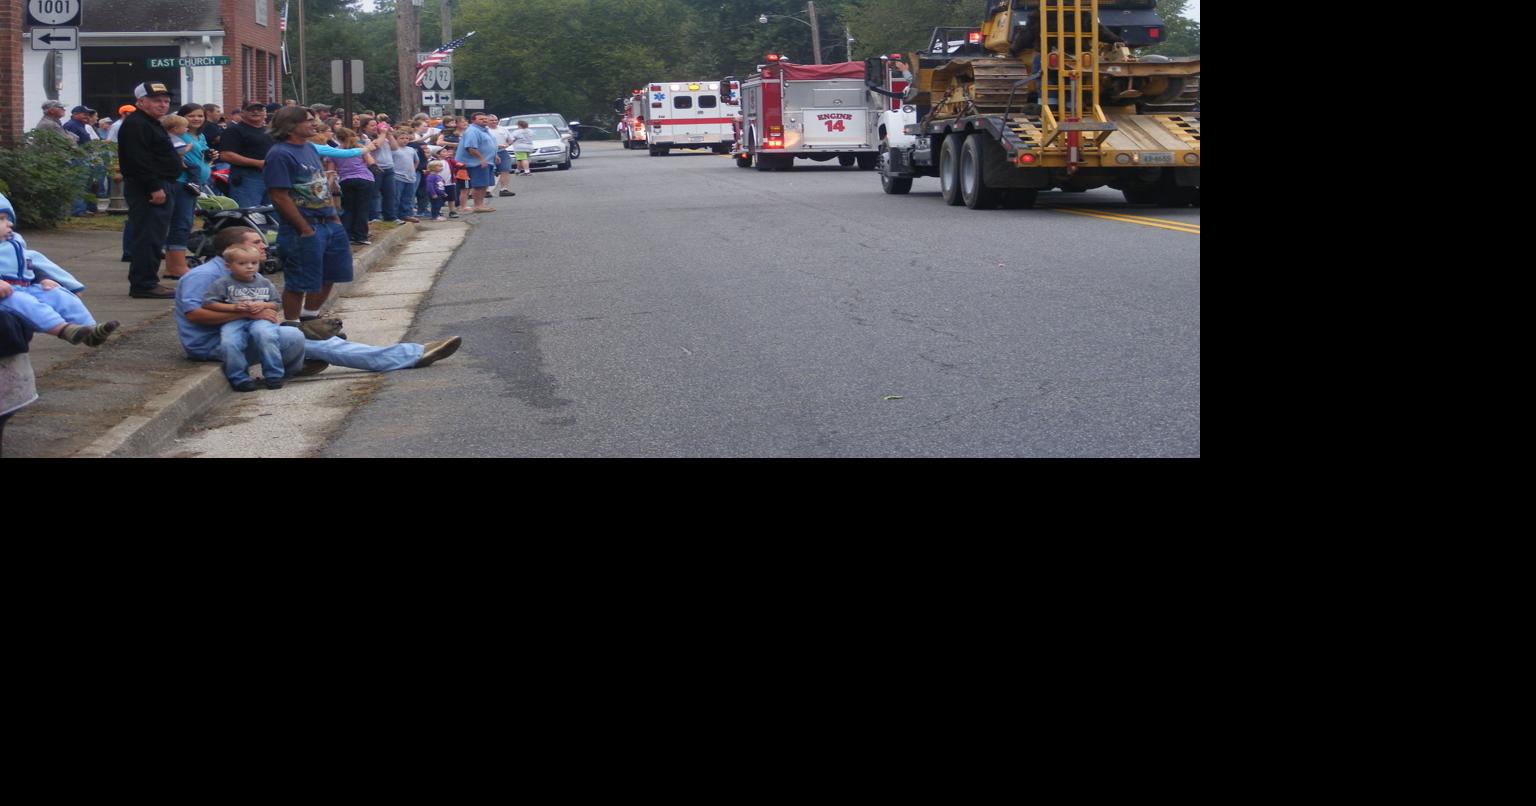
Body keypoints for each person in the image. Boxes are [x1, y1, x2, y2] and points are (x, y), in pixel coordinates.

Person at [175, 227, 463, 377]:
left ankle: (298, 362)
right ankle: (411, 356)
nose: (263, 246)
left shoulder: (246, 272)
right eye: (256, 242)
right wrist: (248, 314)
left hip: (247, 334)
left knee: (314, 337)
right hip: (214, 345)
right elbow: (194, 315)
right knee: (320, 343)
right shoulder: (203, 276)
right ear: (232, 249)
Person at [263, 106, 353, 323]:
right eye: (309, 120)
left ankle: (310, 318)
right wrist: (304, 228)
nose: (315, 124)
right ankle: (292, 326)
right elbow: (279, 196)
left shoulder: (310, 148)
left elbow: (320, 184)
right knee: (300, 281)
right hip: (304, 226)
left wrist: (335, 218)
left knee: (332, 273)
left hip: (329, 222)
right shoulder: (280, 154)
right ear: (290, 126)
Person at [1, 194, 120, 347]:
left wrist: (44, 279)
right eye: (1, 219)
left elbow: (30, 264)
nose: (9, 223)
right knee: (26, 304)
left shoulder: (13, 243)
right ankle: (63, 329)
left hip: (26, 287)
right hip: (6, 295)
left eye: (8, 218)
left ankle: (90, 329)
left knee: (59, 295)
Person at [117, 81, 182, 300]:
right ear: (141, 101)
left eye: (166, 101)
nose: (162, 105)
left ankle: (147, 280)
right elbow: (138, 160)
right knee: (148, 236)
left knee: (155, 236)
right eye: (156, 101)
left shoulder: (150, 123)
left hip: (160, 183)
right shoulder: (137, 124)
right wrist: (154, 187)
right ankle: (144, 284)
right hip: (148, 188)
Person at [202, 244, 286, 391]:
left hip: (260, 319)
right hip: (234, 319)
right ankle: (239, 378)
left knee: (266, 335)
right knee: (230, 342)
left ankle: (274, 374)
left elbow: (277, 304)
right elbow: (209, 303)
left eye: (254, 263)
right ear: (228, 266)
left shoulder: (264, 282)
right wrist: (234, 307)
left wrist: (263, 304)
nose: (249, 267)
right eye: (242, 263)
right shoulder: (223, 283)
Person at [162, 104, 215, 280]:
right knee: (181, 223)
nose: (197, 119)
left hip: (196, 183)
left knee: (185, 222)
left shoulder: (200, 135)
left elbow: (201, 157)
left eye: (200, 116)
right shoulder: (179, 134)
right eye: (191, 116)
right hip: (182, 183)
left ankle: (173, 266)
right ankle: (177, 266)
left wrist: (209, 157)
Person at [218, 101, 274, 209]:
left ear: (265, 113)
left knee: (271, 213)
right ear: (242, 113)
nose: (256, 112)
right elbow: (226, 155)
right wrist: (258, 163)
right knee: (249, 213)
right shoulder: (234, 130)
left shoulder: (268, 131)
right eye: (251, 109)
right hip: (247, 178)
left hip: (270, 176)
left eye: (259, 109)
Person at [330, 126, 376, 244]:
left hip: (345, 180)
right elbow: (370, 162)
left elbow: (332, 170)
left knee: (348, 208)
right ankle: (361, 235)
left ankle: (348, 235)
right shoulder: (360, 149)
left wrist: (333, 183)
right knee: (362, 208)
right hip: (364, 179)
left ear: (338, 138)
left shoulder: (335, 151)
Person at [456, 112, 498, 213]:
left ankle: (481, 205)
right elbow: (470, 148)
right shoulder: (472, 131)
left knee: (484, 184)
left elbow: (488, 144)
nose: (484, 120)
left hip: (487, 161)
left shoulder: (484, 130)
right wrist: (481, 159)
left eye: (485, 119)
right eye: (481, 119)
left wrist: (495, 155)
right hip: (474, 163)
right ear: (473, 121)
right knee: (479, 185)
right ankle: (477, 206)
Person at [391, 132, 422, 224]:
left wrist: (412, 170)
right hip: (397, 177)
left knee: (408, 197)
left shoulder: (411, 149)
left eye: (407, 138)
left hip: (410, 177)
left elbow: (416, 161)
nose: (405, 140)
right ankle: (394, 215)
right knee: (396, 197)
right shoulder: (393, 149)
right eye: (402, 138)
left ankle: (406, 214)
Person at [489, 116, 517, 197]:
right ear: (487, 121)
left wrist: (507, 144)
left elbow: (511, 139)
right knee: (489, 171)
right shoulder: (485, 130)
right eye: (491, 120)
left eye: (495, 120)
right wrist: (496, 146)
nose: (494, 122)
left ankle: (504, 189)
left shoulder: (503, 129)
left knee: (505, 169)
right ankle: (487, 190)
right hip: (489, 152)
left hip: (502, 151)